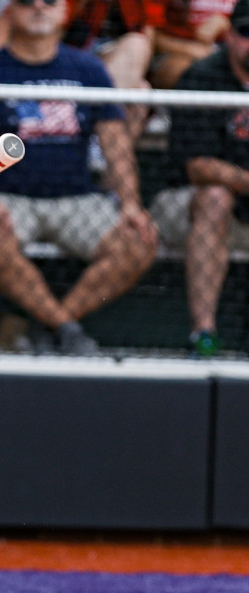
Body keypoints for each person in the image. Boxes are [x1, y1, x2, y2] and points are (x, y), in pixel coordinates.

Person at [0, 0, 158, 354]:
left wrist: (130, 205)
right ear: (8, 12)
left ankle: (54, 322)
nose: (38, 8)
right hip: (9, 197)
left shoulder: (89, 70)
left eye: (49, 2)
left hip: (77, 199)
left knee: (141, 240)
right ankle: (66, 329)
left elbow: (115, 145)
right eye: (25, 2)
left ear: (64, 12)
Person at [148, 0, 249, 356]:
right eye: (246, 33)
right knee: (216, 196)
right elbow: (198, 167)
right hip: (184, 206)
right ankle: (203, 334)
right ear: (230, 35)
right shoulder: (204, 76)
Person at [62, 0, 164, 139]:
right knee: (139, 88)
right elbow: (58, 26)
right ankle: (101, 142)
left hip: (118, 61)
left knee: (141, 90)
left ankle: (101, 149)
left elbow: (148, 31)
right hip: (73, 58)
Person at [151, 0, 234, 89]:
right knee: (176, 70)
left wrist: (228, 25)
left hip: (231, 52)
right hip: (177, 52)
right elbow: (149, 33)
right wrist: (189, 49)